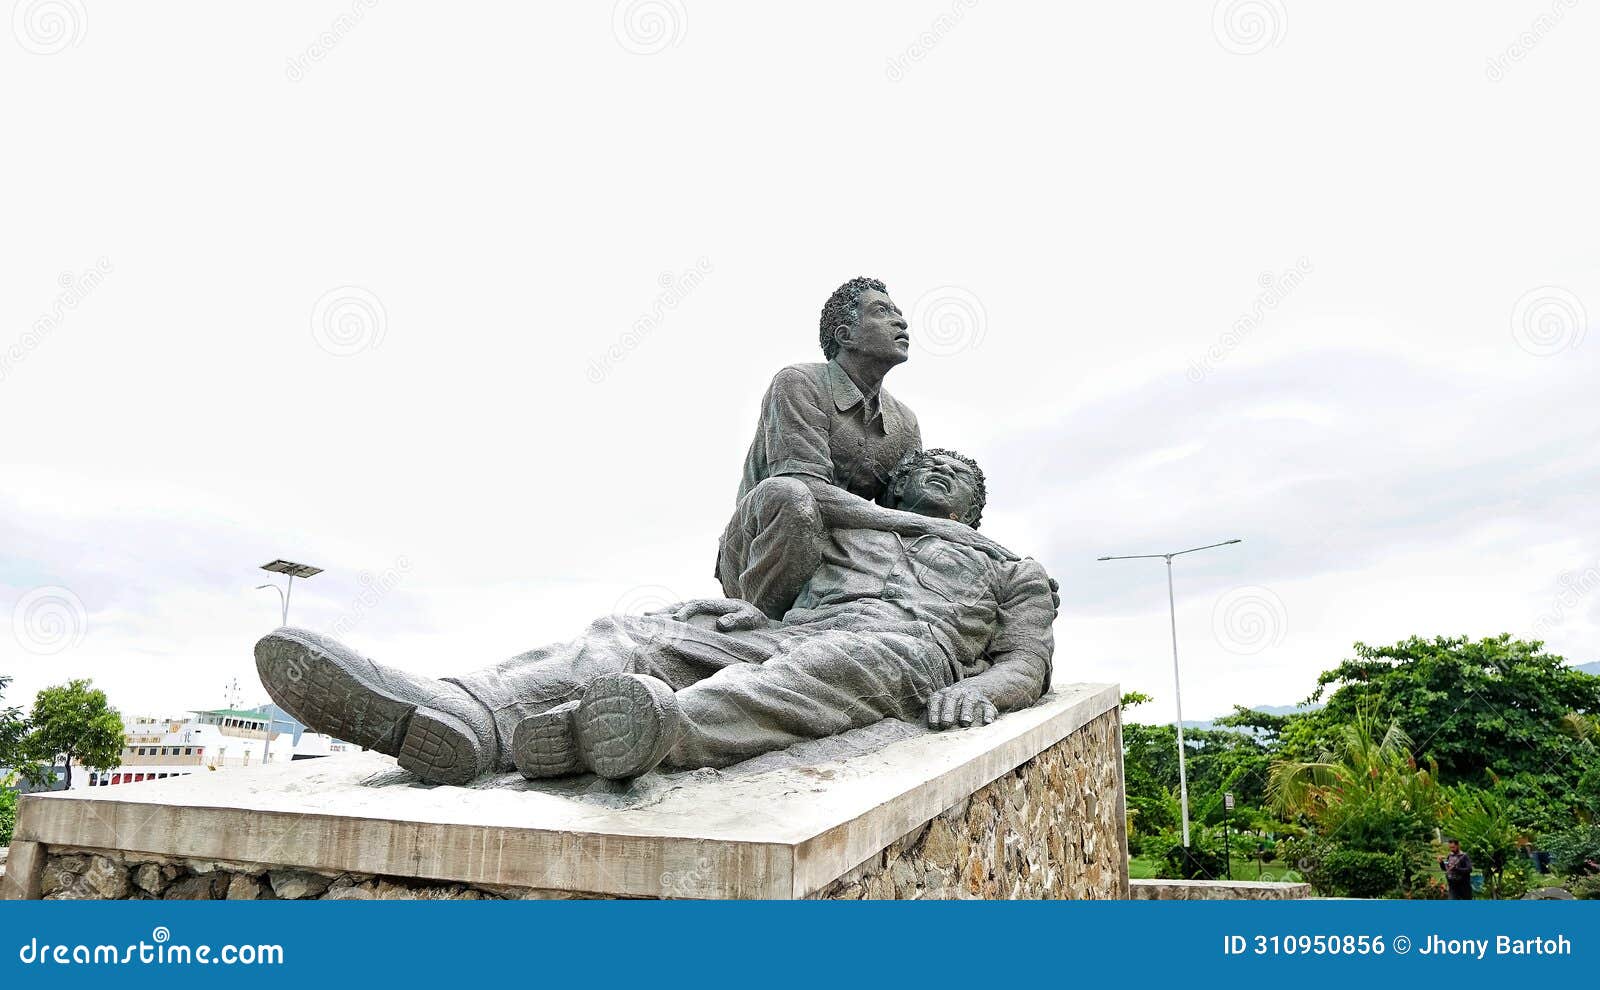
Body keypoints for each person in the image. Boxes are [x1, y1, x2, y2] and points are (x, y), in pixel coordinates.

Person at [255, 448, 1054, 785]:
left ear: (974, 506)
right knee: (644, 632)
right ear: (896, 485)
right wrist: (738, 603)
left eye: (956, 471)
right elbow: (761, 562)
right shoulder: (853, 529)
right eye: (927, 463)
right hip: (788, 626)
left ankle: (630, 733)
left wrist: (984, 691)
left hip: (903, 648)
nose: (939, 468)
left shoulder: (1012, 569)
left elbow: (1026, 662)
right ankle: (469, 712)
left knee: (819, 674)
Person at [717, 277, 1018, 619]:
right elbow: (807, 489)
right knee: (792, 495)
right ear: (845, 336)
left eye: (899, 313)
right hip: (760, 547)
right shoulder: (798, 382)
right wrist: (933, 526)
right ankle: (758, 620)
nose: (901, 322)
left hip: (846, 558)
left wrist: (1002, 575)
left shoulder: (904, 422)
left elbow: (907, 508)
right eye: (882, 311)